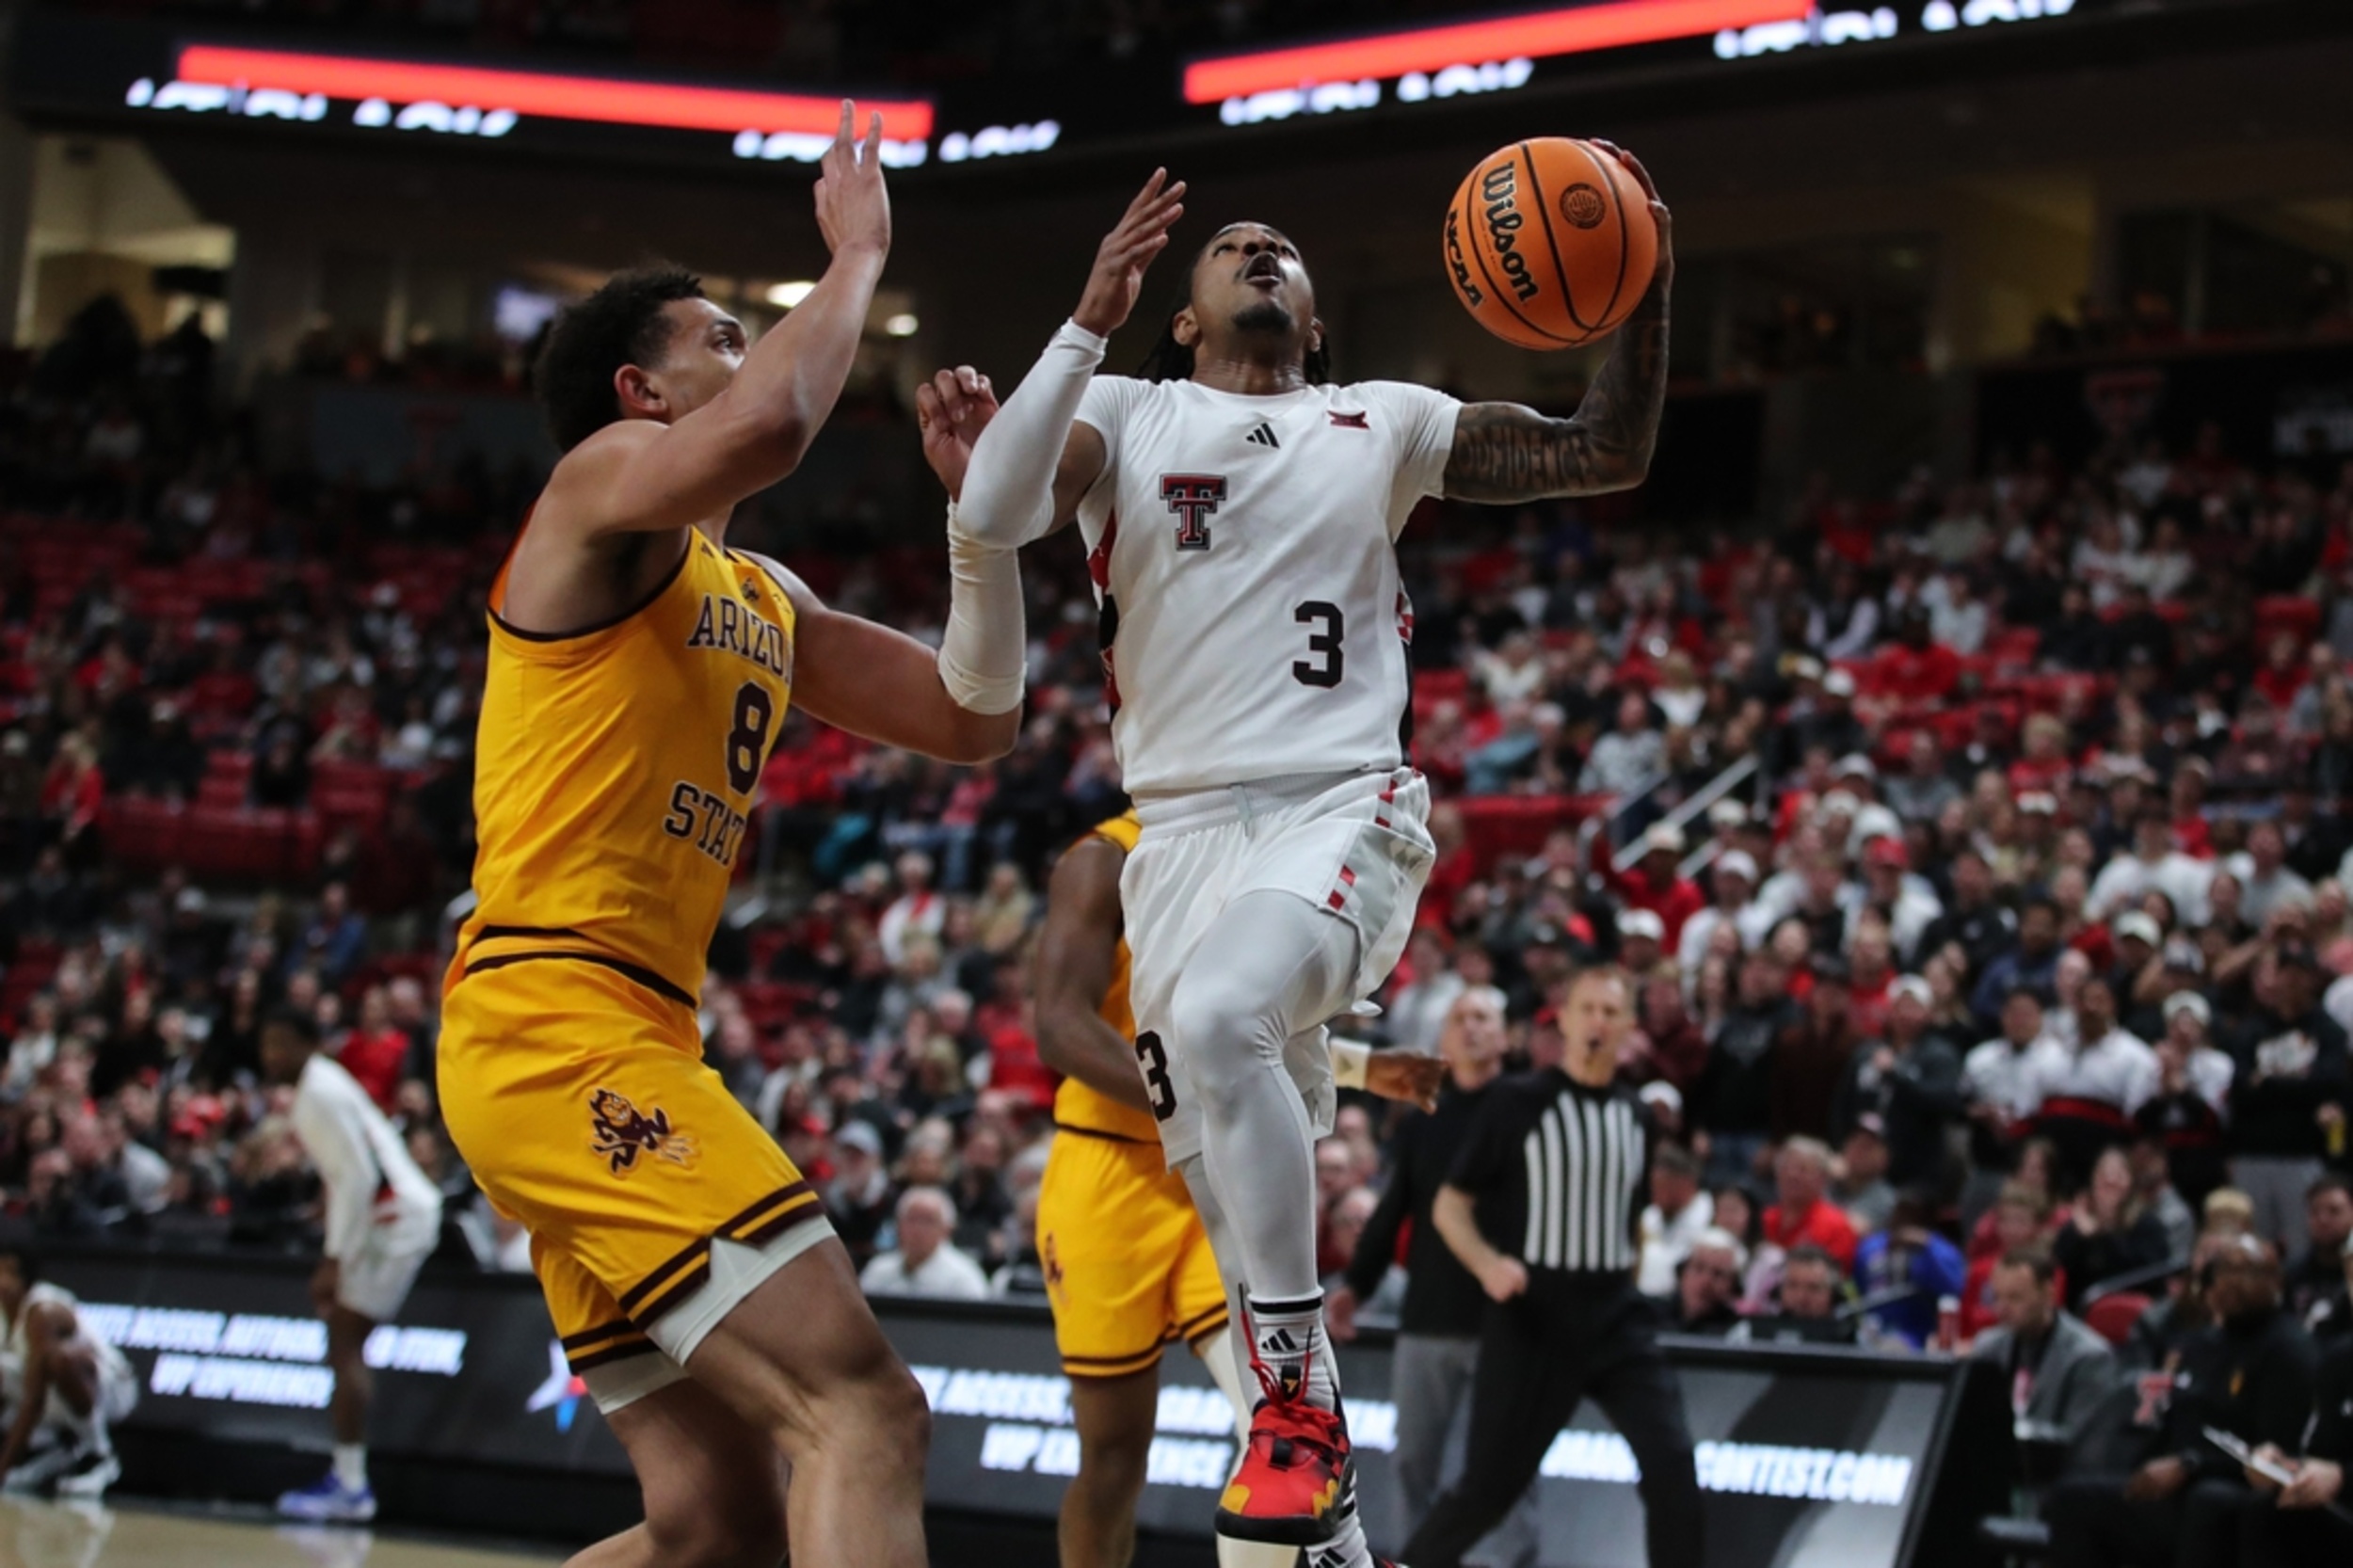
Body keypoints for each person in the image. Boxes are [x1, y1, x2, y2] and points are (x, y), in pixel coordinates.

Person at [936, 149, 1673, 1557]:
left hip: (1341, 805)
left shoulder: (1381, 418)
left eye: (1281, 243)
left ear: (1319, 321)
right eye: (1231, 245)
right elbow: (990, 513)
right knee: (1230, 1151)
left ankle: (1291, 1387)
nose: (1259, 246)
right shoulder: (1127, 409)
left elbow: (1605, 450)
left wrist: (1645, 286)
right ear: (1186, 317)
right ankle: (1315, 1473)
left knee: (1218, 1016)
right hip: (1182, 841)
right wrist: (1087, 310)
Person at [434, 109, 1022, 1568]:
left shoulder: (755, 587)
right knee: (864, 1405)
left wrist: (981, 526)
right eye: (718, 333)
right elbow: (767, 422)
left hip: (620, 1038)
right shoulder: (588, 500)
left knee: (716, 1529)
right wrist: (861, 252)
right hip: (555, 1024)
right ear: (642, 392)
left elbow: (970, 718)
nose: (747, 350)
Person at [1032, 809, 1441, 1568]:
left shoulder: (1261, 834)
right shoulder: (1099, 860)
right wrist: (1190, 1107)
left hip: (1213, 1178)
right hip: (1109, 1177)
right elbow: (1059, 1027)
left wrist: (1354, 1066)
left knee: (1280, 1417)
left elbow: (1250, 1026)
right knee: (1114, 1454)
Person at [1405, 968, 1703, 1568]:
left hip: (1616, 1314)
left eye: (1610, 1011)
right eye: (1586, 1009)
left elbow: (1631, 1221)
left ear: (1628, 1028)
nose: (1597, 1021)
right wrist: (1488, 1265)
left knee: (1673, 1465)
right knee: (1486, 1490)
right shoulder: (1517, 1101)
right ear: (1563, 1021)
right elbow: (1449, 1205)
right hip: (1533, 1316)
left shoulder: (1637, 1116)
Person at [1331, 986, 1531, 1560]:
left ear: (1505, 1035)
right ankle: (1424, 1557)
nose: (1470, 1028)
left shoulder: (1525, 1111)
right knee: (1414, 1460)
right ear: (1443, 1037)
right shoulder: (1425, 1117)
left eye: (1483, 1018)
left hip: (1509, 1322)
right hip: (1430, 1315)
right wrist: (1358, 1287)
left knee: (1504, 1464)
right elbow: (1396, 1203)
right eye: (1459, 1018)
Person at [263, 1006, 444, 1522]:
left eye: (280, 1041)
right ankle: (347, 1479)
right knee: (344, 1340)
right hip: (392, 1213)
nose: (270, 1054)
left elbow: (359, 1179)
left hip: (395, 1218)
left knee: (344, 1340)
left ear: (308, 1043)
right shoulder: (324, 1081)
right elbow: (354, 1169)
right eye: (265, 1043)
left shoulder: (316, 1091)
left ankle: (350, 1487)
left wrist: (333, 1259)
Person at [2045, 1236, 2319, 1568]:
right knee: (2074, 1499)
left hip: (2233, 1491)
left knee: (2208, 1501)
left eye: (2245, 1272)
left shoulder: (2288, 1350)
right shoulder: (2199, 1345)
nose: (2229, 1282)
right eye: (2220, 1273)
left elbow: (2276, 1453)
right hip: (2182, 1485)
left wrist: (2191, 1465)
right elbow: (2174, 1419)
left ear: (2276, 1282)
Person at [0, 1244, 136, 1497]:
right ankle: (52, 1447)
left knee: (60, 1360)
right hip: (50, 1396)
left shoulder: (43, 1311)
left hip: (111, 1389)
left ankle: (100, 1455)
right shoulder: (4, 1312)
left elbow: (34, 1399)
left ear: (19, 1277)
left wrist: (3, 1469)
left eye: (3, 1271)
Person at [1969, 1247, 2121, 1448]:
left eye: (2015, 1298)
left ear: (2049, 1294)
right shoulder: (1988, 1346)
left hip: (2049, 1472)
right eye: (1997, 1297)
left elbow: (2081, 1439)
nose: (2001, 1308)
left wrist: (2015, 1434)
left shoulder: (2089, 1356)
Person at [2243, 1322, 2352, 1563]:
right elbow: (2320, 1451)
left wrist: (2342, 1475)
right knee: (2269, 1509)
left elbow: (2337, 1472)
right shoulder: (2341, 1357)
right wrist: (2285, 1465)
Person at [2052, 1145, 2173, 1314]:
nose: (2111, 1181)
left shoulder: (2147, 1225)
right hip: (2082, 1315)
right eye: (2104, 1175)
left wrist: (2101, 1236)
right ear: (2093, 1181)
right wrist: (2077, 1235)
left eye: (2119, 1175)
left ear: (2130, 1182)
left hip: (2137, 1318)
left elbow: (2149, 1275)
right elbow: (2060, 1263)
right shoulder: (2080, 1223)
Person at [858, 1187, 990, 1301]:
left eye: (928, 1221)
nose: (918, 1229)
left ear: (947, 1230)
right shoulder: (878, 1270)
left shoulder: (964, 1277)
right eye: (912, 1219)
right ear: (898, 1225)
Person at [1730, 1245, 1857, 1346]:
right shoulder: (1749, 1332)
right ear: (1779, 1291)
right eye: (1792, 1285)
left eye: (1813, 1288)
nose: (1801, 1296)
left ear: (1833, 1295)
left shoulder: (1852, 1338)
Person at [1635, 1142, 1715, 1296]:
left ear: (1686, 1183)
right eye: (1653, 1186)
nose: (1655, 1194)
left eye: (1661, 1186)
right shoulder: (1649, 1215)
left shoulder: (1710, 1215)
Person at [1670, 1228, 1747, 1336]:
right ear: (1682, 1272)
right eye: (1698, 1268)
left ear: (1733, 1286)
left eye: (1718, 1274)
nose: (1706, 1281)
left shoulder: (1737, 1333)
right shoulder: (1649, 1315)